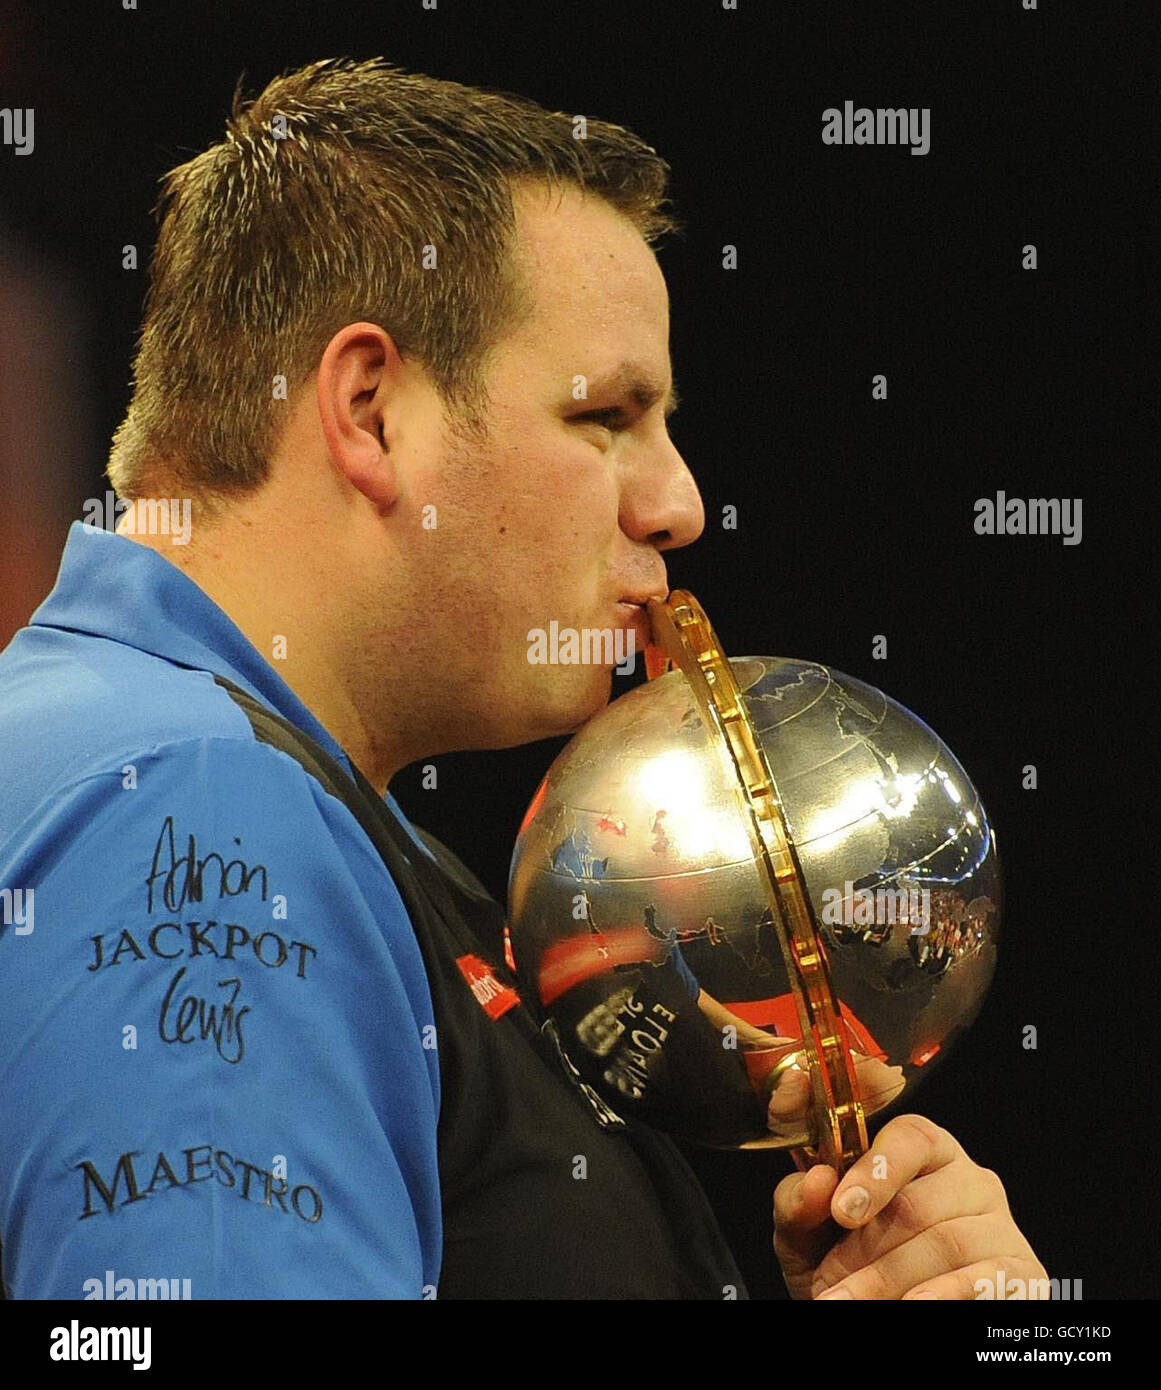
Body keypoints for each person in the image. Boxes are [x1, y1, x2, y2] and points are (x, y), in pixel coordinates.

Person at [0, 57, 1045, 1300]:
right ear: (373, 409)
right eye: (606, 415)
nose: (679, 503)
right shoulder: (200, 802)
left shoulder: (227, 781)